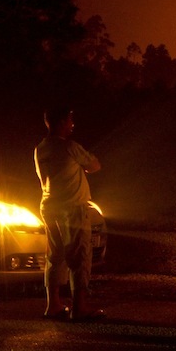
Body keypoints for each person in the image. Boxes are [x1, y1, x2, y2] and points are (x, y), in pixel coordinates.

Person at [35, 107, 104, 321]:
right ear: (62, 121)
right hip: (72, 207)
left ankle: (53, 305)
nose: (73, 124)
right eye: (71, 120)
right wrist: (80, 167)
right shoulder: (70, 147)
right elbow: (94, 165)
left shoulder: (40, 149)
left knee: (54, 256)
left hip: (49, 205)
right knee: (80, 257)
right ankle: (79, 308)